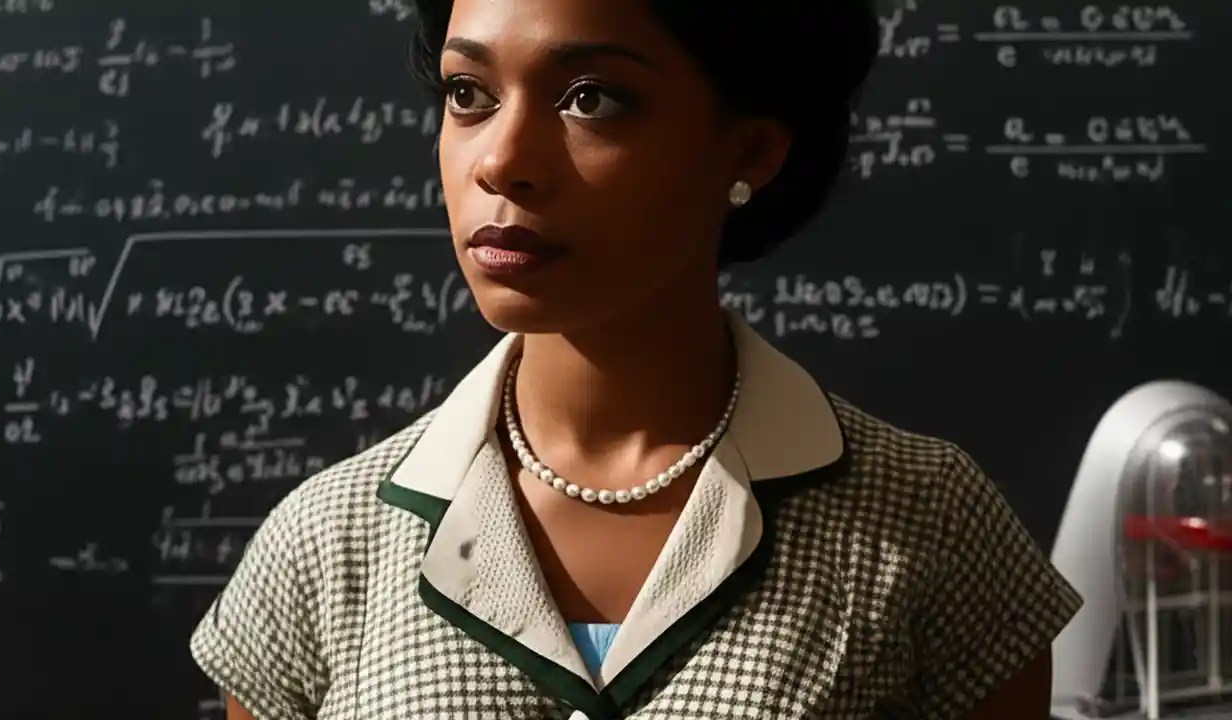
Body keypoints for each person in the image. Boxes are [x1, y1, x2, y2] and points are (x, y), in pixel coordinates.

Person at [190, 0, 1085, 717]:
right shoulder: (328, 542)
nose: (502, 161)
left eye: (592, 98)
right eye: (469, 93)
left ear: (749, 148)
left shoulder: (928, 523)